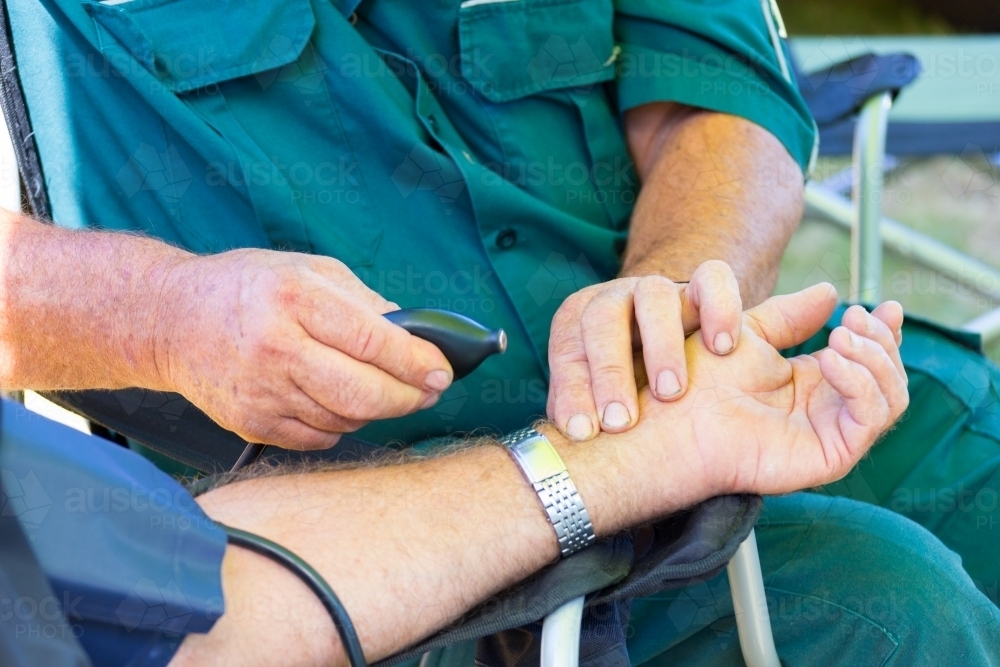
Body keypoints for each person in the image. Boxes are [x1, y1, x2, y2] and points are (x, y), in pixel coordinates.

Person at [1, 0, 998, 663]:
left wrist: (675, 295)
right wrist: (164, 316)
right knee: (896, 613)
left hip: (727, 384)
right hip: (378, 544)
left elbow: (722, 92)